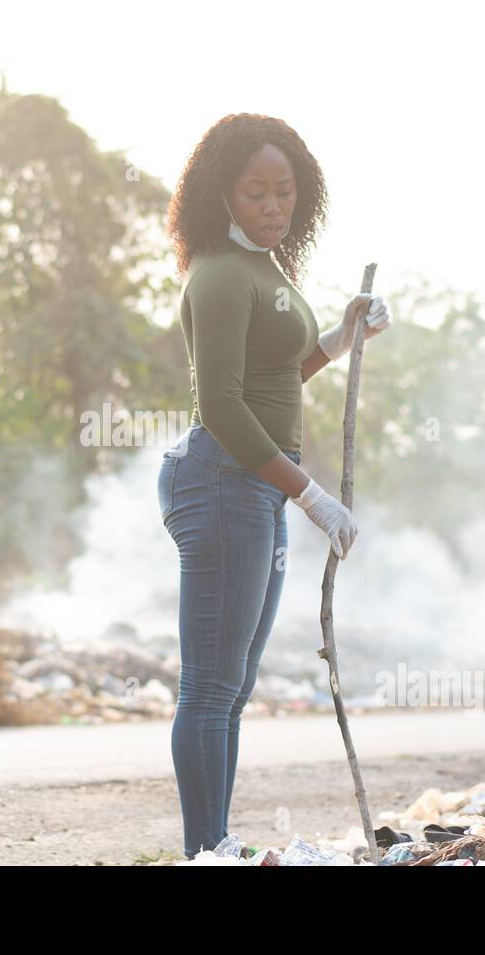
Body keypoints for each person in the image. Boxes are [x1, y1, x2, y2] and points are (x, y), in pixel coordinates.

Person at [160, 113, 392, 859]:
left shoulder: (268, 269)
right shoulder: (222, 273)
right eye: (256, 191)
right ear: (220, 193)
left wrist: (340, 339)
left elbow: (274, 382)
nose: (272, 206)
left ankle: (216, 844)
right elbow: (224, 407)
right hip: (223, 482)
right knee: (209, 686)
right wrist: (311, 495)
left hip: (253, 488)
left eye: (285, 191)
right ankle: (207, 850)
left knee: (232, 687)